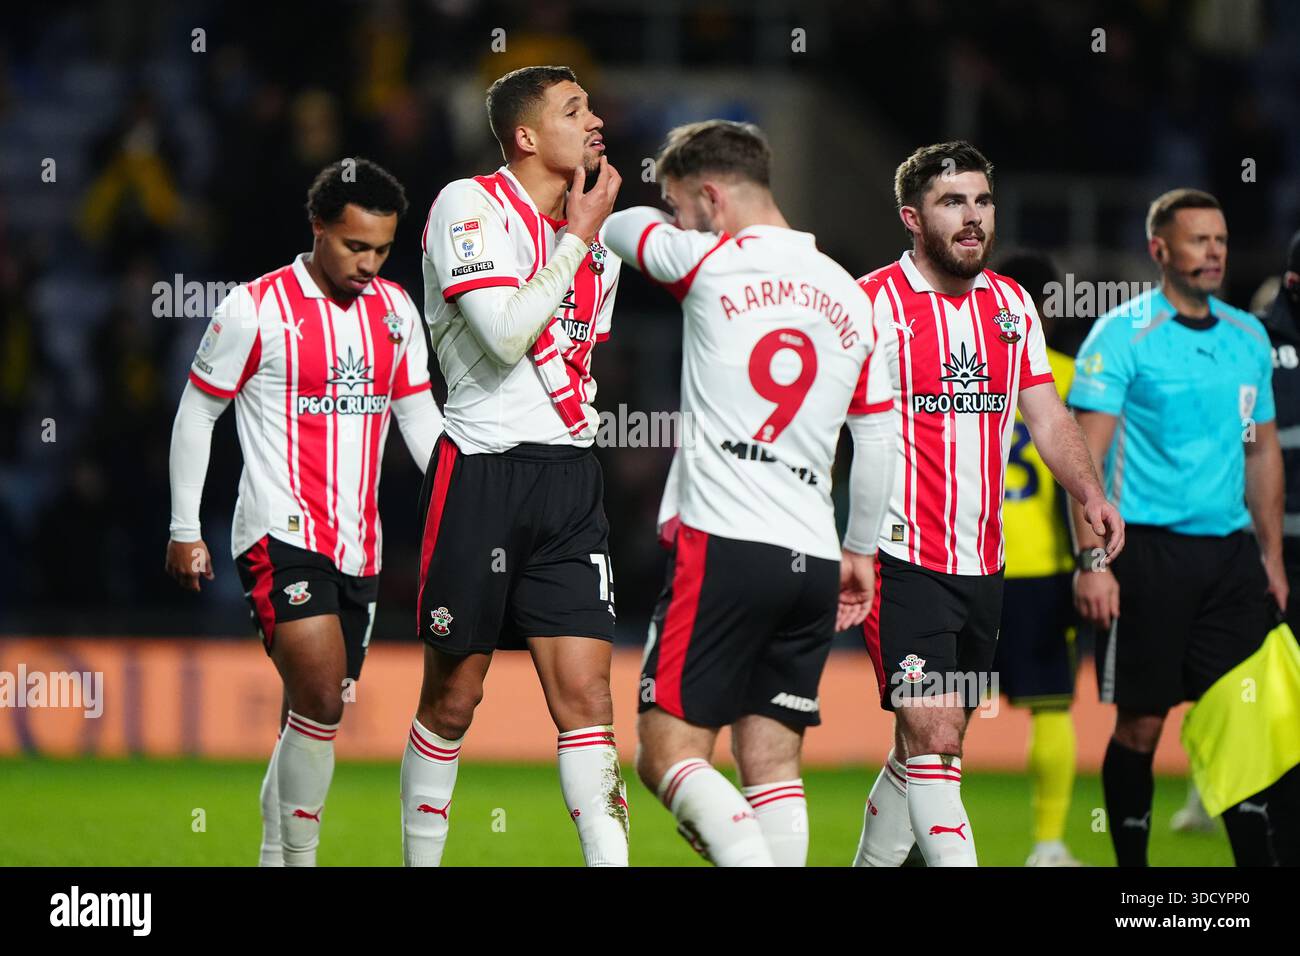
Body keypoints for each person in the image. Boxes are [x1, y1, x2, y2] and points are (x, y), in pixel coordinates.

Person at [602, 120, 897, 866]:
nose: (675, 221)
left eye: (680, 206)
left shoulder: (709, 261)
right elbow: (880, 443)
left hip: (724, 545)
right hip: (814, 555)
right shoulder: (853, 297)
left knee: (666, 753)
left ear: (710, 197)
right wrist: (859, 548)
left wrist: (655, 219)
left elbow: (618, 226)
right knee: (771, 768)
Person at [165, 158, 443, 866]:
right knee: (320, 696)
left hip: (361, 547)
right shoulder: (255, 308)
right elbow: (198, 413)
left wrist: (471, 495)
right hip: (277, 532)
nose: (370, 263)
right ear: (318, 228)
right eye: (356, 246)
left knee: (309, 716)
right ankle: (303, 859)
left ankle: (274, 855)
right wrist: (183, 529)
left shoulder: (395, 310)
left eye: (382, 249)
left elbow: (418, 420)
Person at [851, 142, 1122, 868]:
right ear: (912, 216)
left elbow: (1048, 418)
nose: (973, 218)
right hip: (902, 561)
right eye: (952, 202)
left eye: (982, 201)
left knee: (923, 754)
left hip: (985, 567)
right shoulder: (869, 303)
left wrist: (1090, 491)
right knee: (937, 743)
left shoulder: (1009, 307)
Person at [401, 66, 627, 867]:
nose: (595, 119)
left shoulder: (595, 238)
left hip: (570, 481)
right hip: (483, 475)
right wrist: (577, 239)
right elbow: (502, 335)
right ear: (528, 136)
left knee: (589, 701)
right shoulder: (469, 206)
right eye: (575, 110)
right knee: (454, 699)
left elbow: (578, 355)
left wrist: (586, 237)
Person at [1070, 188, 1300, 866]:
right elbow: (1086, 462)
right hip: (1144, 554)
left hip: (1229, 562)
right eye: (1198, 240)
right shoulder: (1121, 336)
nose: (1214, 252)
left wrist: (1271, 559)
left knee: (1243, 724)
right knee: (1141, 725)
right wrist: (1093, 564)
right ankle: (1135, 882)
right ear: (1159, 250)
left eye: (1221, 240)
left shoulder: (1247, 336)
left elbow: (1260, 452)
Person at [989, 251, 1084, 867]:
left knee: (941, 710)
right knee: (1050, 707)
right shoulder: (1071, 377)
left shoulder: (958, 365)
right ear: (1049, 305)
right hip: (1044, 567)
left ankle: (924, 832)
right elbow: (1089, 476)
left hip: (965, 562)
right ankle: (1048, 844)